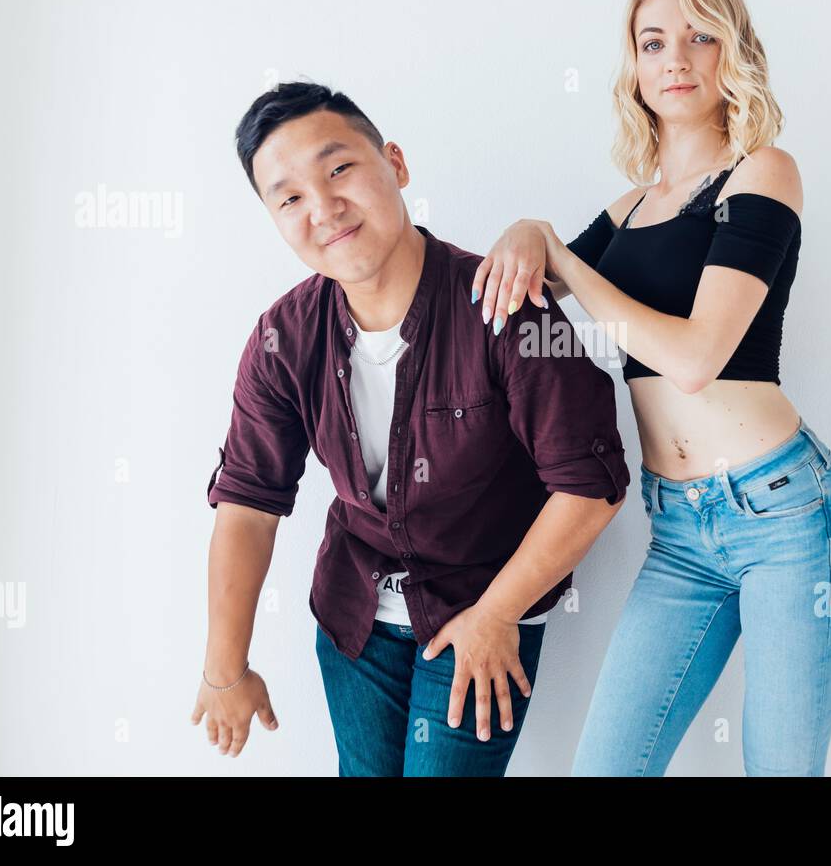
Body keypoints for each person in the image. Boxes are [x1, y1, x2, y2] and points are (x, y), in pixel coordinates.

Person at [473, 0, 831, 776]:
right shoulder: (627, 211)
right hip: (681, 532)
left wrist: (563, 255)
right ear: (634, 66)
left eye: (700, 36)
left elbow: (695, 359)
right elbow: (528, 293)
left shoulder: (764, 172)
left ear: (735, 52)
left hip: (790, 518)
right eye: (654, 41)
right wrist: (526, 230)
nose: (676, 58)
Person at [191, 81, 630, 776]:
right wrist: (225, 669)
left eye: (339, 170)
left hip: (482, 609)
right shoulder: (283, 335)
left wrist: (497, 615)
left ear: (395, 163)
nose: (324, 208)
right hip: (354, 618)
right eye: (291, 197)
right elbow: (249, 502)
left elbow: (591, 485)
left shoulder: (505, 307)